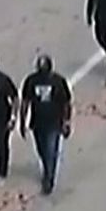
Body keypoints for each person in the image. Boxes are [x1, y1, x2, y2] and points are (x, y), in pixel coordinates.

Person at [19, 54, 72, 196]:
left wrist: (66, 121)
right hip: (37, 122)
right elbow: (25, 102)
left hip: (54, 122)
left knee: (51, 151)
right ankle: (47, 169)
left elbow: (66, 103)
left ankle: (49, 178)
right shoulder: (31, 81)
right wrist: (22, 122)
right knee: (41, 149)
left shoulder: (58, 81)